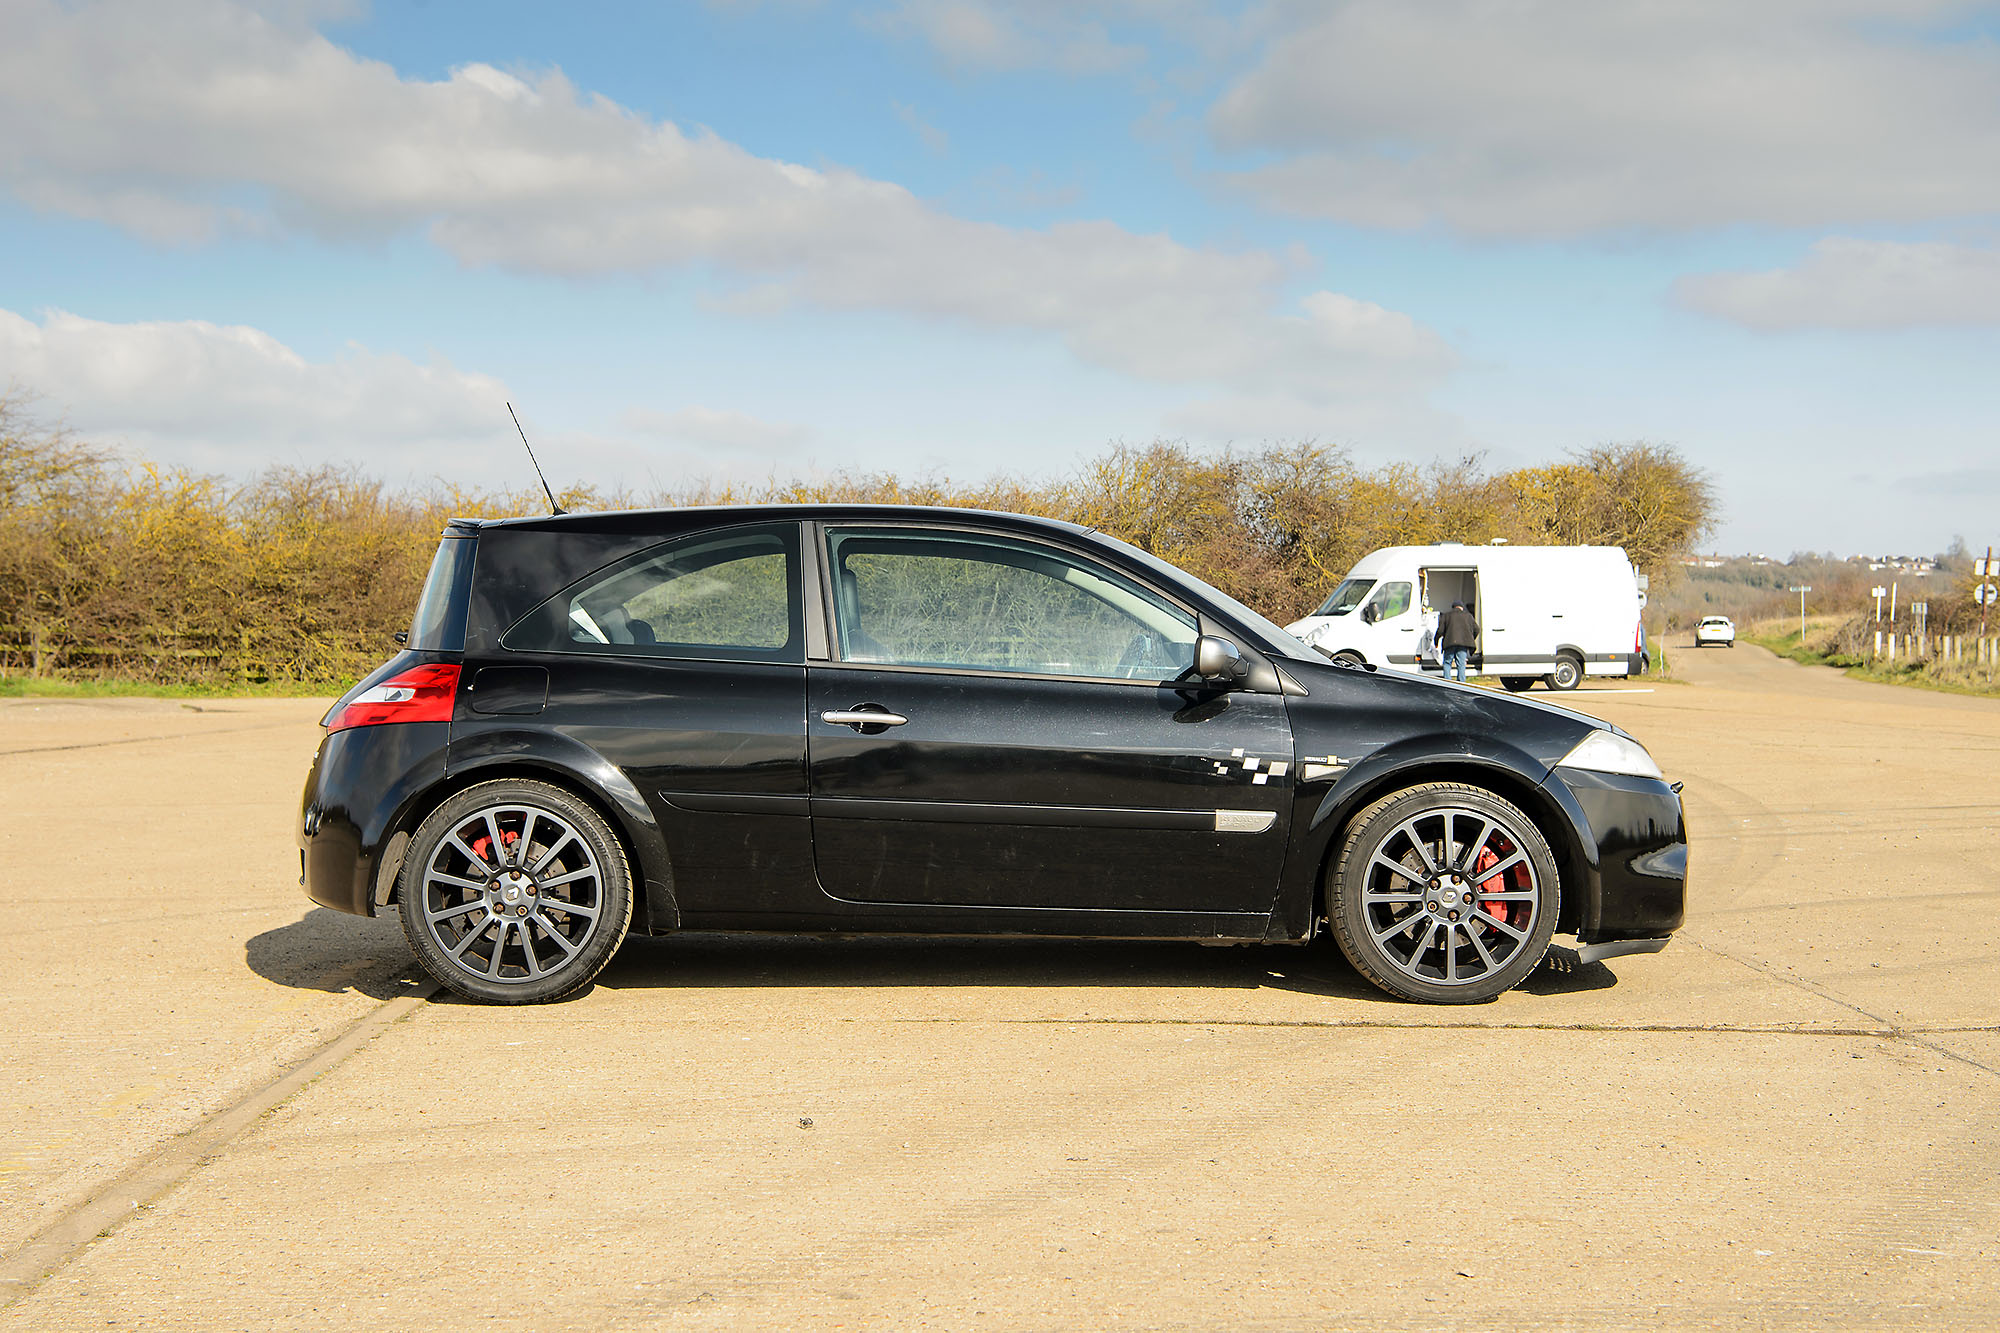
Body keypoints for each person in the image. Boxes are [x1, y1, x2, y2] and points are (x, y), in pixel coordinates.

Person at [1437, 600, 1479, 683]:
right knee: (1461, 663)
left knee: (1447, 663)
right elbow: (1477, 629)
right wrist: (1470, 638)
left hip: (1449, 643)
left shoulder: (1446, 615)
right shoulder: (1468, 616)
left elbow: (1440, 630)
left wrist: (1436, 641)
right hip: (1463, 644)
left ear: (1453, 608)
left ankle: (1447, 682)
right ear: (1462, 607)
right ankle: (1461, 683)